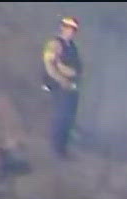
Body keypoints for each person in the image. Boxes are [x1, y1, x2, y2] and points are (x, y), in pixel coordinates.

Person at [42, 16, 82, 159]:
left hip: (70, 88)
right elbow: (50, 66)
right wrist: (61, 81)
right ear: (62, 28)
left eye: (73, 29)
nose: (70, 32)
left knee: (68, 119)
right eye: (68, 28)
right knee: (60, 118)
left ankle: (63, 148)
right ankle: (55, 149)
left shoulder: (72, 47)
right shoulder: (55, 44)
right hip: (56, 87)